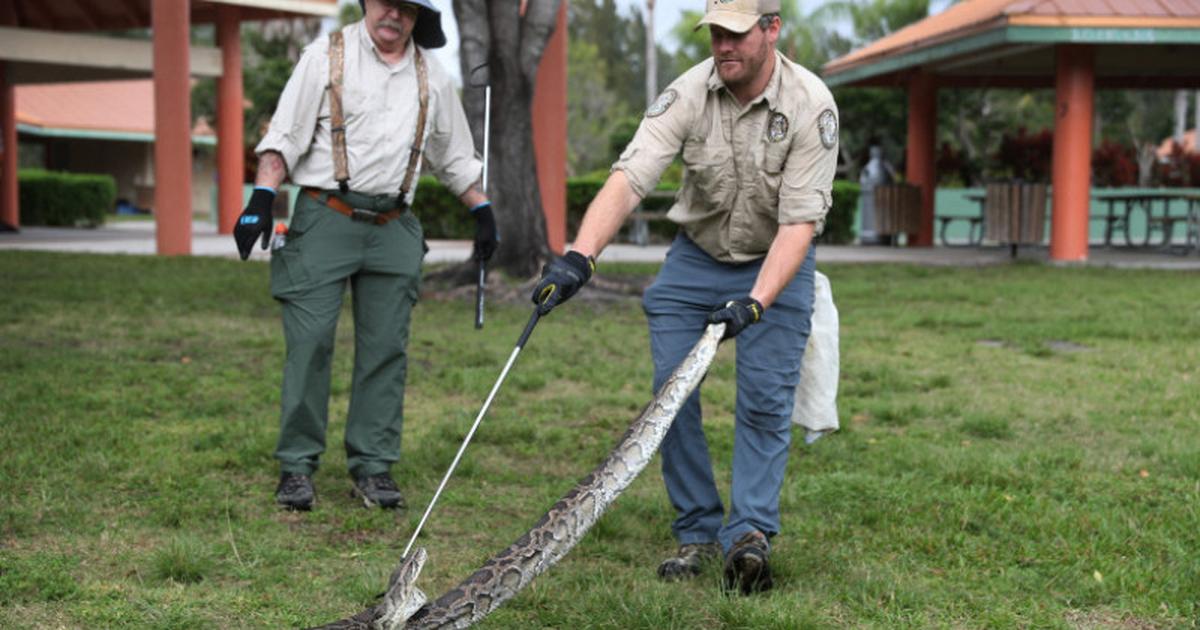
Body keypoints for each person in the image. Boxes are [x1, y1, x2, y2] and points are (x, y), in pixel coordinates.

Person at [531, 0, 838, 594]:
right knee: (669, 399)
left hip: (777, 260)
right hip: (694, 261)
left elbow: (800, 224)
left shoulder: (810, 105)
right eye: (716, 32)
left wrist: (756, 301)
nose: (723, 45)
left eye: (737, 34)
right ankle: (696, 531)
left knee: (764, 402)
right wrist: (579, 256)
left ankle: (748, 536)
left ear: (772, 30)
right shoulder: (689, 91)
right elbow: (632, 174)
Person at [233, 0, 497, 512]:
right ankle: (296, 466)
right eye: (384, 2)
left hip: (394, 225)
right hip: (324, 216)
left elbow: (454, 157)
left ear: (419, 18)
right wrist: (260, 201)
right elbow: (282, 138)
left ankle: (373, 467)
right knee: (309, 343)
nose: (392, 15)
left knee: (386, 350)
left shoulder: (432, 77)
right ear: (365, 3)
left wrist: (483, 210)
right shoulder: (324, 57)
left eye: (406, 8)